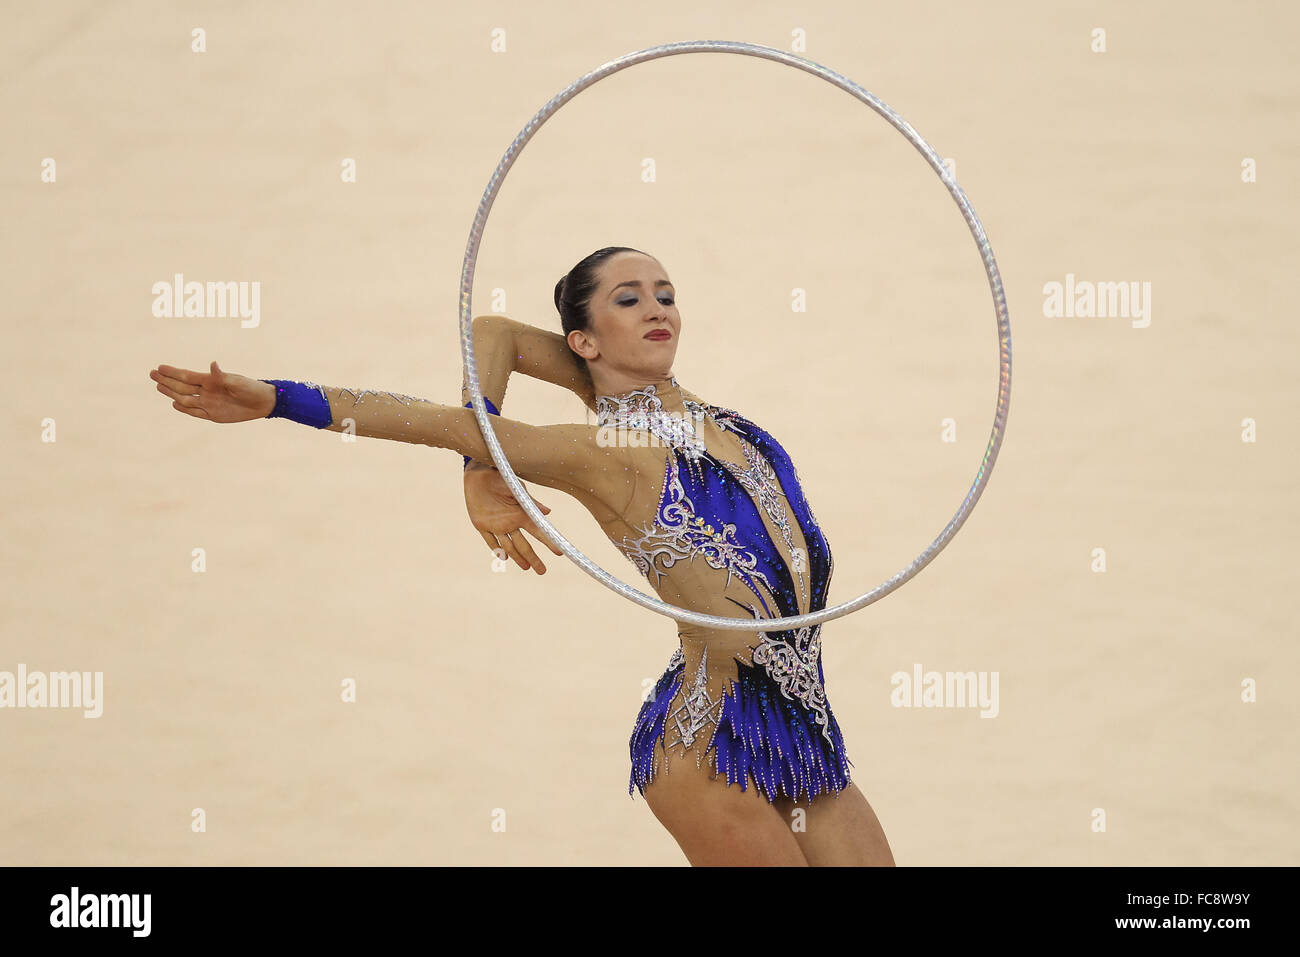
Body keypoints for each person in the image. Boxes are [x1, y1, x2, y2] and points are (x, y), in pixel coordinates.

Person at [148, 247, 895, 866]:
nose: (658, 307)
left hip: (801, 728)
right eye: (629, 299)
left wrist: (484, 475)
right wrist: (276, 398)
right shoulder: (603, 453)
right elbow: (436, 421)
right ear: (585, 342)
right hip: (707, 742)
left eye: (665, 294)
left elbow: (496, 331)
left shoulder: (710, 419)